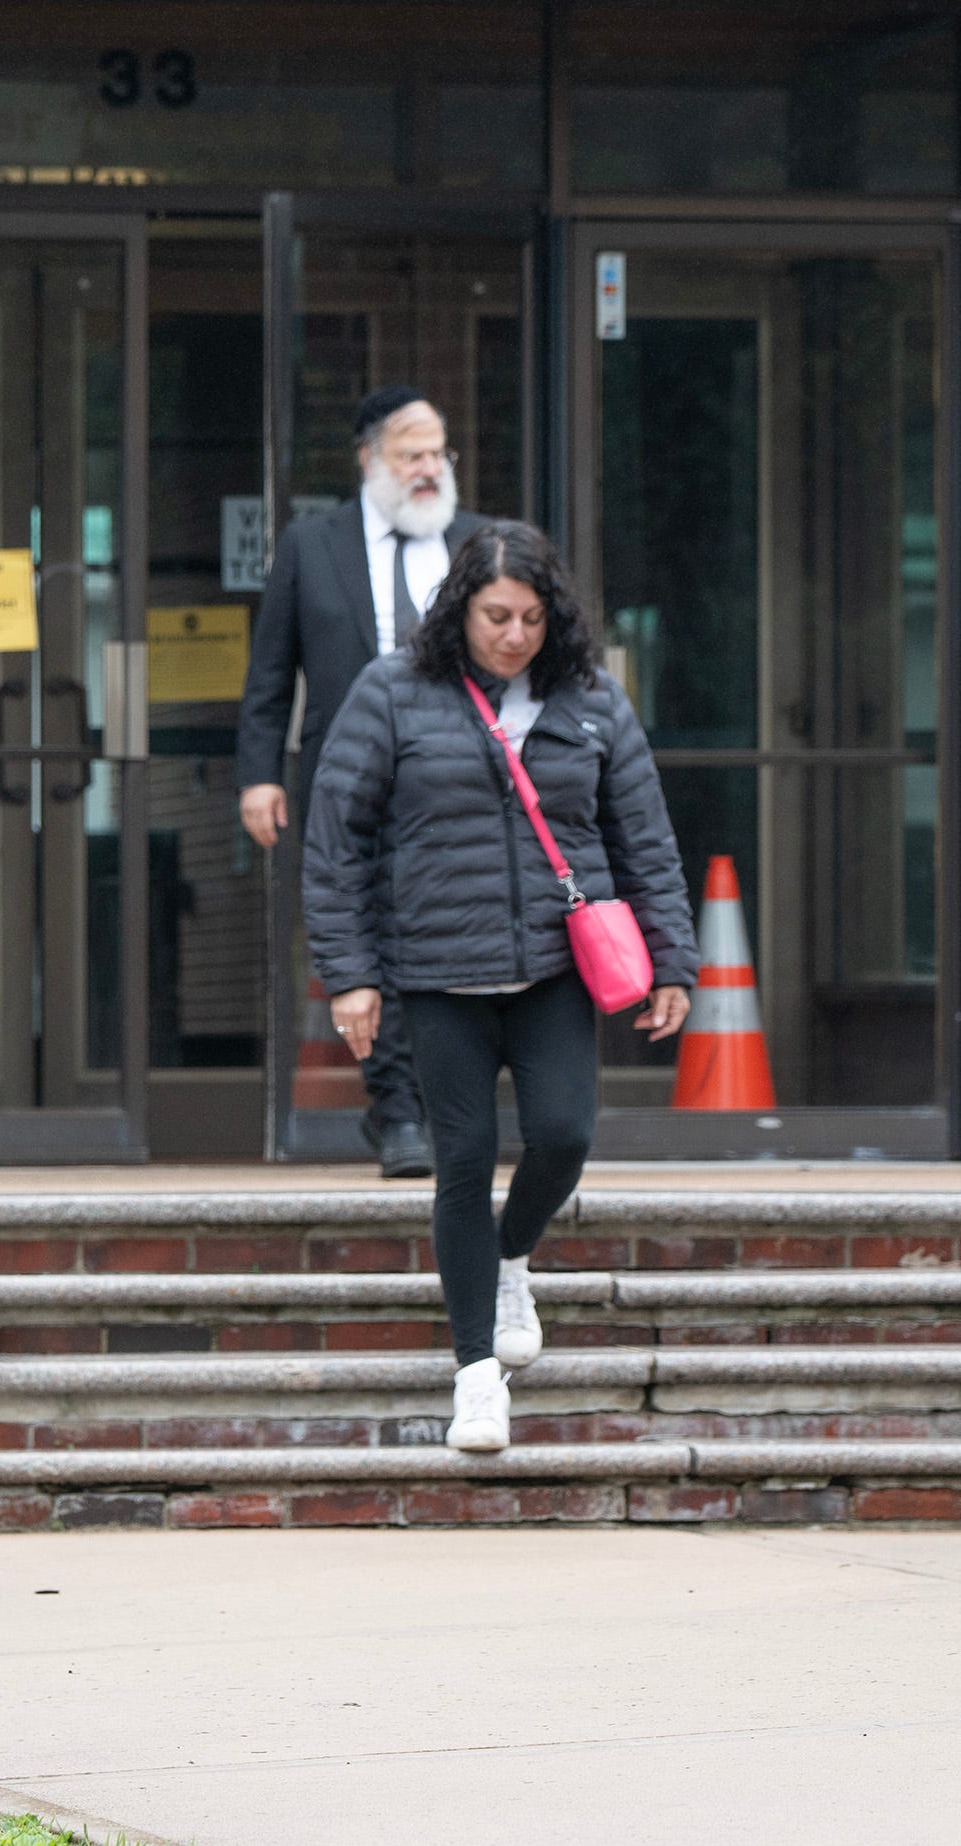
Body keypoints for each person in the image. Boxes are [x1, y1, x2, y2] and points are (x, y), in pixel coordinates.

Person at [301, 520, 695, 1454]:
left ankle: (513, 1250)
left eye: (529, 618)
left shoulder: (591, 698)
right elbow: (336, 843)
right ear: (460, 611)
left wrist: (673, 962)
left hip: (559, 967)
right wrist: (350, 975)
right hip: (440, 972)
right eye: (494, 617)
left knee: (564, 1136)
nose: (513, 636)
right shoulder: (394, 693)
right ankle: (476, 1377)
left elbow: (645, 837)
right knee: (463, 1162)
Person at [236, 384, 484, 1178]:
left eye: (438, 453)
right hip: (350, 775)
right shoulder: (314, 545)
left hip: (463, 779)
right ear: (369, 460)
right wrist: (258, 777)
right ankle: (400, 1110)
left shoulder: (483, 545)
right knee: (367, 941)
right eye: (410, 453)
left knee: (444, 942)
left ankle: (426, 1104)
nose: (427, 468)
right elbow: (270, 675)